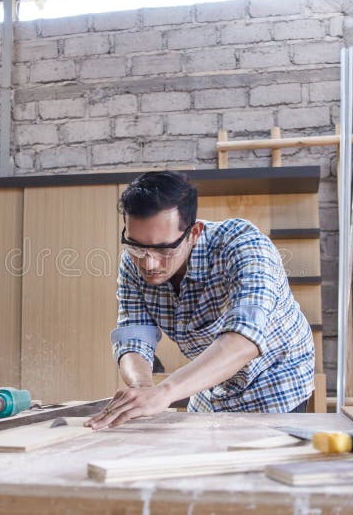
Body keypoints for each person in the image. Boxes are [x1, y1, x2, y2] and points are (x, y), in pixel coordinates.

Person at [85, 171, 314, 430]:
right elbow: (134, 334)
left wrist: (166, 392)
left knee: (255, 459)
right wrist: (143, 391)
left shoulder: (244, 245)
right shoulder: (134, 261)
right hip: (210, 380)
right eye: (136, 246)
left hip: (273, 377)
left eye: (163, 249)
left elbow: (245, 339)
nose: (148, 263)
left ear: (194, 233)